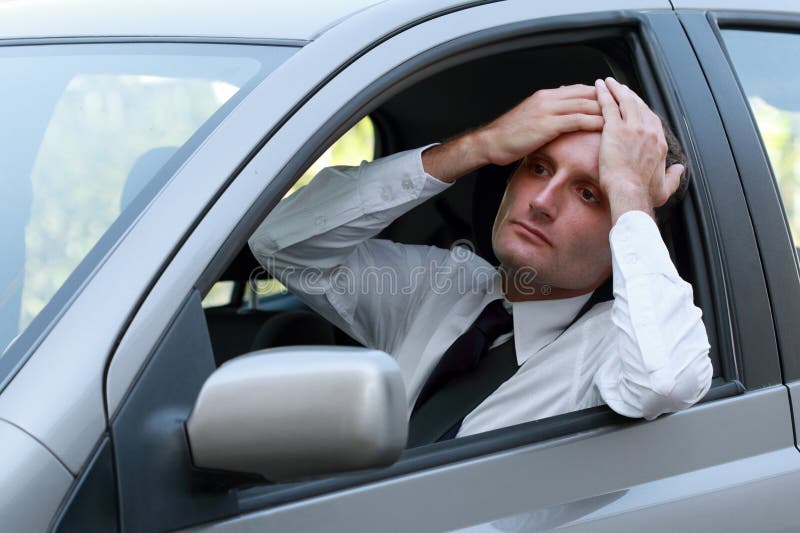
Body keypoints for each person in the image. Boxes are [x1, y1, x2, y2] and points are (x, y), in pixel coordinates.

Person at [248, 77, 712, 444]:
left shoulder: (617, 345)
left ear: (625, 235)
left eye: (590, 193)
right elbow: (280, 243)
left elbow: (666, 382)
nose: (542, 201)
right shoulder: (442, 283)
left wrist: (630, 189)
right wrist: (480, 145)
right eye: (538, 168)